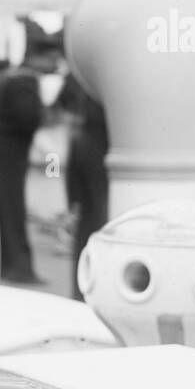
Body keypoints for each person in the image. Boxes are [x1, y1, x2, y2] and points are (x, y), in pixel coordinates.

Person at [0, 46, 46, 284]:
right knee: (12, 207)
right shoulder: (23, 82)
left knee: (4, 206)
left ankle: (8, 265)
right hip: (11, 153)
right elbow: (28, 117)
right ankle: (18, 268)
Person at [57, 73, 109, 300]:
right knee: (100, 218)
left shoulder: (83, 70)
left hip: (85, 139)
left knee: (87, 221)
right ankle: (93, 291)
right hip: (104, 141)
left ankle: (81, 291)